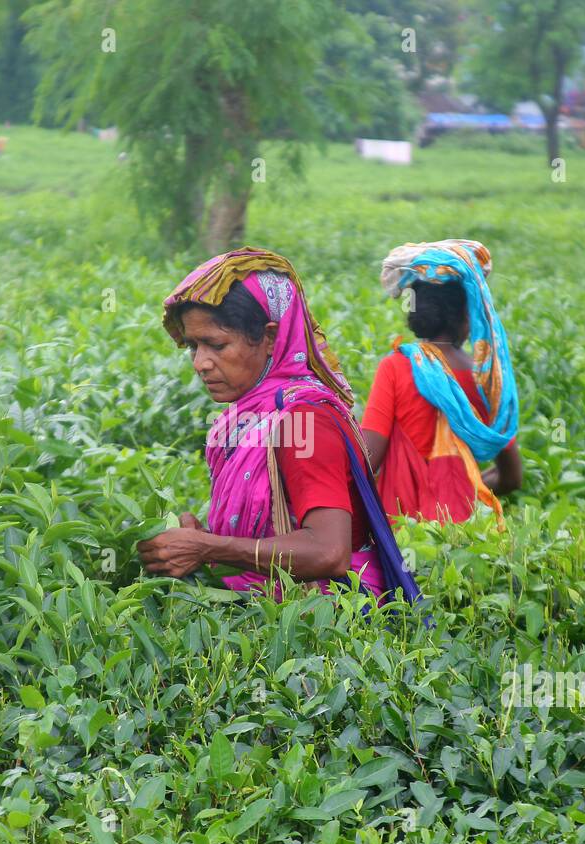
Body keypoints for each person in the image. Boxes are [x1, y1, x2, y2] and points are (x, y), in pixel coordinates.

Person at [137, 247, 419, 602]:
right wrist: (200, 538)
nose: (200, 363)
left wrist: (209, 547)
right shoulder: (243, 417)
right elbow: (271, 526)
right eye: (193, 346)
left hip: (323, 617)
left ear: (269, 338)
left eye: (216, 345)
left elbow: (328, 553)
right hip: (266, 603)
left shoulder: (305, 420)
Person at [361, 239, 522, 527]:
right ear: (467, 315)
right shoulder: (485, 381)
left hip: (400, 534)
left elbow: (366, 463)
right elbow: (512, 477)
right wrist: (462, 493)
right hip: (464, 541)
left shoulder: (396, 367)